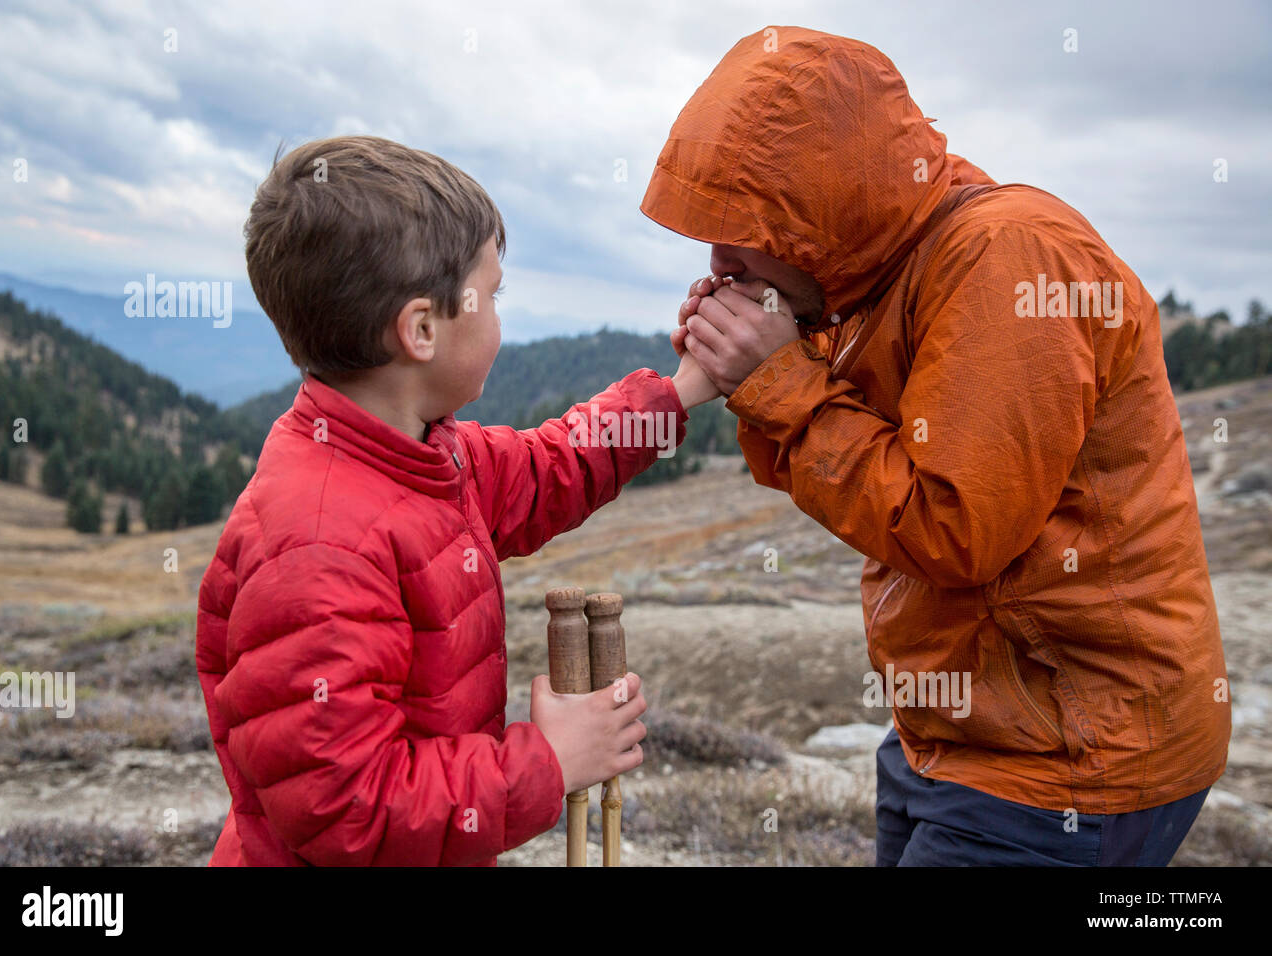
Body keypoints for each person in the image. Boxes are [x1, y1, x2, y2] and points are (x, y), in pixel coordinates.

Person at [647, 27, 1230, 865]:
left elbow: (952, 526)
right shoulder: (871, 271)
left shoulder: (1008, 257)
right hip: (954, 727)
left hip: (1070, 760)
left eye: (743, 228)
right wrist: (767, 372)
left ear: (821, 207)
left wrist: (781, 383)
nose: (718, 259)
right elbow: (832, 475)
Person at [195, 135, 721, 866]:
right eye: (492, 295)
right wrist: (548, 761)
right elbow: (346, 810)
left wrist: (687, 386)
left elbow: (551, 465)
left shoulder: (424, 453)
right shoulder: (319, 547)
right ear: (419, 329)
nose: (500, 317)